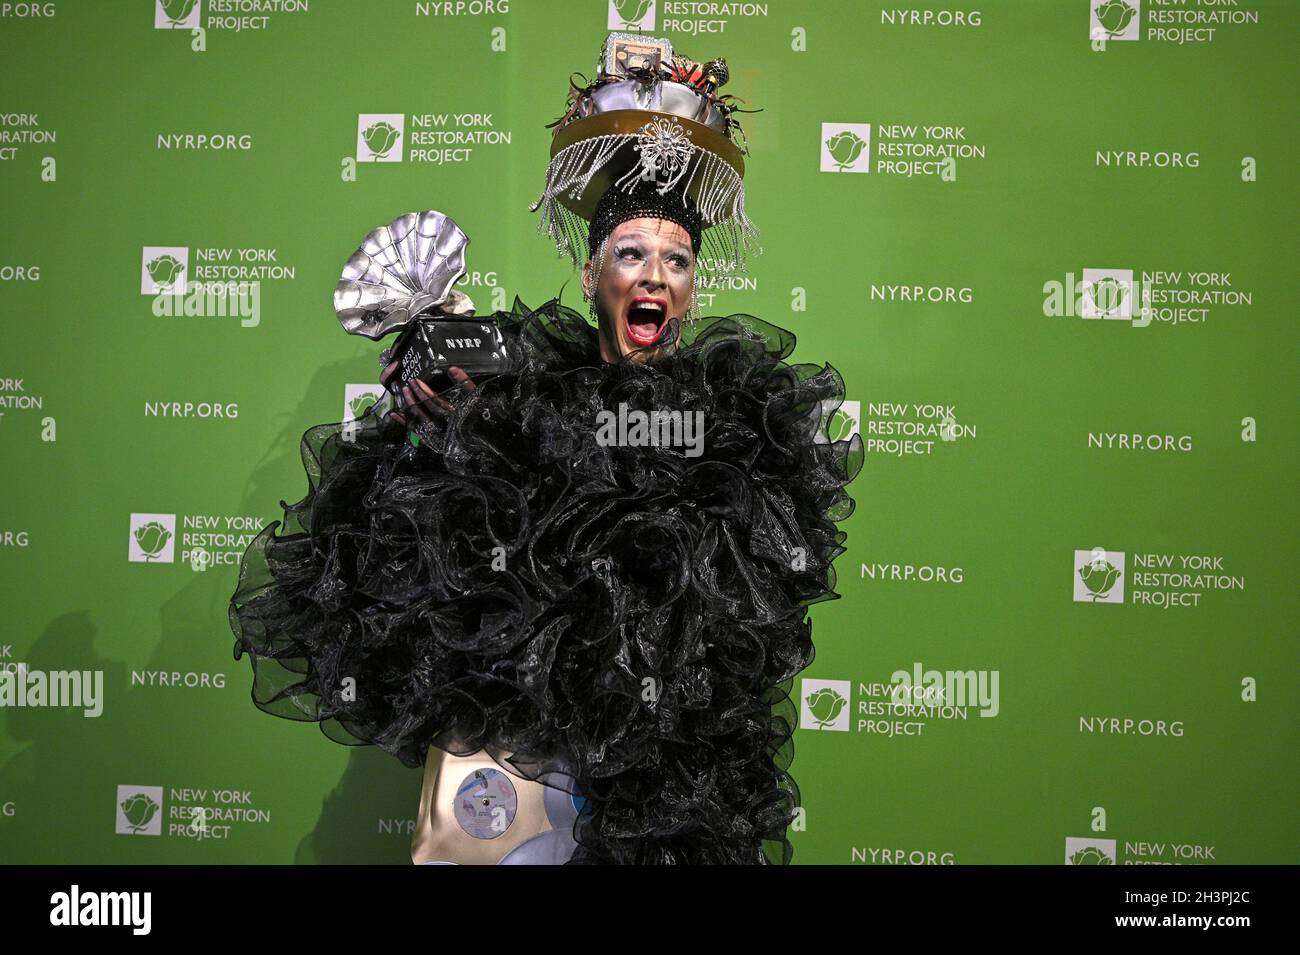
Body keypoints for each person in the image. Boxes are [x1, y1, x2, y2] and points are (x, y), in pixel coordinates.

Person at [229, 33, 862, 865]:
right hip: (525, 769)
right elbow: (405, 557)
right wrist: (424, 425)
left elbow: (748, 623)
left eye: (676, 260)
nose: (654, 276)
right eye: (631, 253)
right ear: (594, 273)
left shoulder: (740, 430)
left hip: (665, 774)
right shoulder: (517, 396)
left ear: (692, 287)